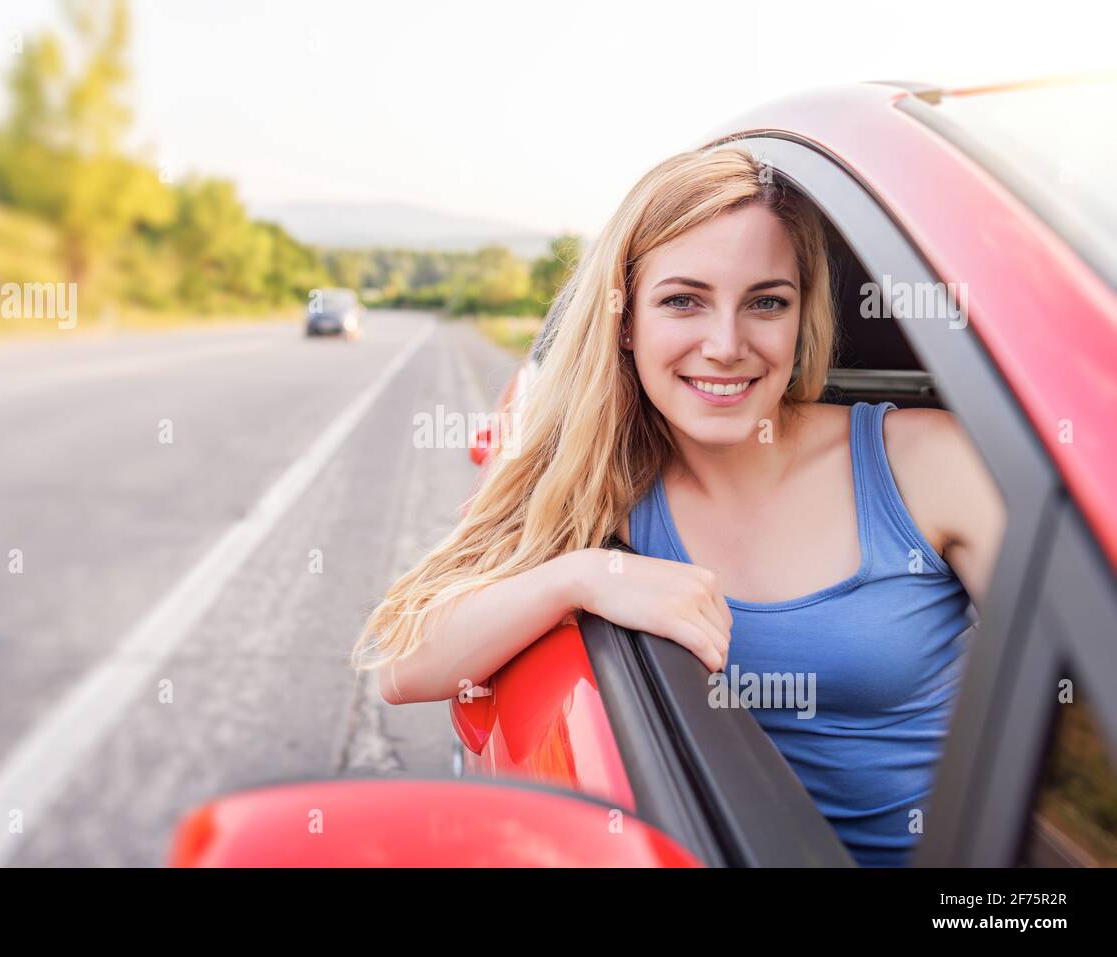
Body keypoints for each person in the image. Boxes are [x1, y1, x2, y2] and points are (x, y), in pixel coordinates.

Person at [350, 145, 1005, 866]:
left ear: (801, 315)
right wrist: (583, 575)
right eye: (683, 300)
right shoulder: (600, 483)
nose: (726, 345)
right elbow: (401, 665)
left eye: (766, 302)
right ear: (624, 320)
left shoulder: (928, 462)